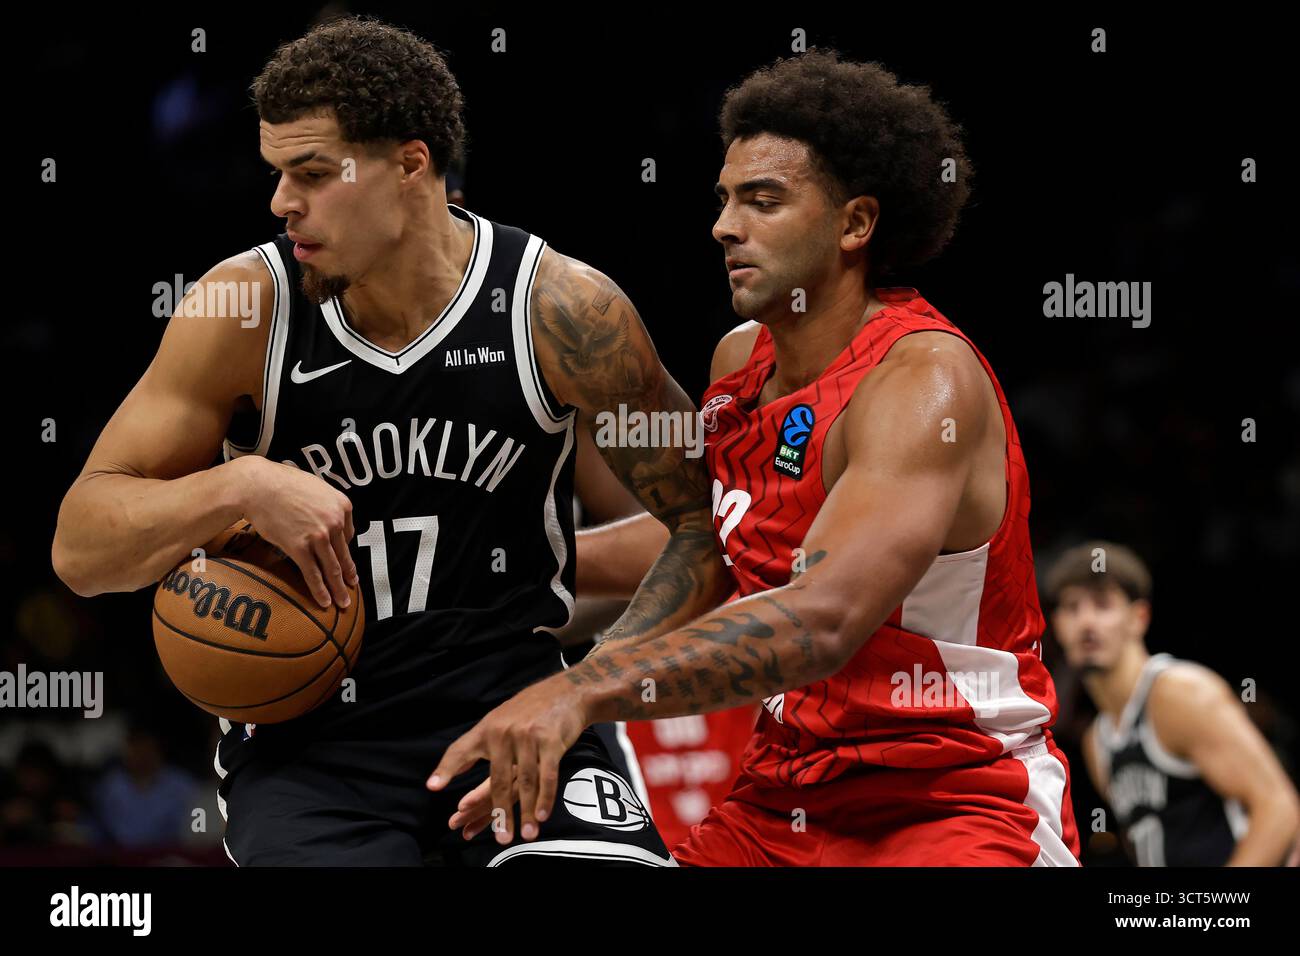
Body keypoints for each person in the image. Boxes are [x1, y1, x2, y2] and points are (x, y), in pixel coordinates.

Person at [51, 16, 733, 866]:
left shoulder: (561, 310)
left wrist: (581, 690)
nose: (279, 202)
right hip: (311, 751)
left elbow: (712, 525)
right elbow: (81, 546)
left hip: (509, 715)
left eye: (310, 173)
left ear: (411, 165)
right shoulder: (243, 310)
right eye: (275, 173)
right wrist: (237, 486)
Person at [433, 50, 1081, 866]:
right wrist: (504, 570)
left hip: (953, 798)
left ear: (856, 223)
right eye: (725, 198)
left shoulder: (922, 381)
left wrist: (580, 691)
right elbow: (714, 544)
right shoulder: (739, 361)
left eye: (763, 200)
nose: (724, 225)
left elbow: (823, 615)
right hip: (782, 797)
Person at [1045, 541, 1300, 866]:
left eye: (1102, 604)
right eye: (1072, 607)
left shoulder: (1180, 692)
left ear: (1139, 618)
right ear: (1057, 626)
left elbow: (1279, 806)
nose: (1086, 622)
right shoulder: (1097, 741)